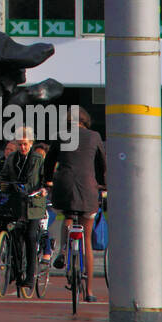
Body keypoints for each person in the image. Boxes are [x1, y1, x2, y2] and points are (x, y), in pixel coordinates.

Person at [44, 106, 107, 300]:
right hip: (88, 188)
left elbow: (49, 161)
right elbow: (102, 164)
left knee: (68, 215)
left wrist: (47, 180)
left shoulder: (61, 135)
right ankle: (88, 292)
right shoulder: (94, 136)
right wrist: (103, 185)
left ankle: (64, 250)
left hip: (64, 185)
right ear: (85, 122)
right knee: (86, 239)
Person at [0, 127, 47, 290]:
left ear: (31, 144)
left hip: (34, 204)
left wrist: (43, 189)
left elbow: (43, 179)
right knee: (15, 237)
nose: (23, 148)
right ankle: (17, 271)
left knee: (30, 237)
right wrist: (3, 188)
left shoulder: (37, 159)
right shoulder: (12, 158)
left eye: (25, 144)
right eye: (20, 144)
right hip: (16, 203)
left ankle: (30, 276)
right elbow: (4, 177)